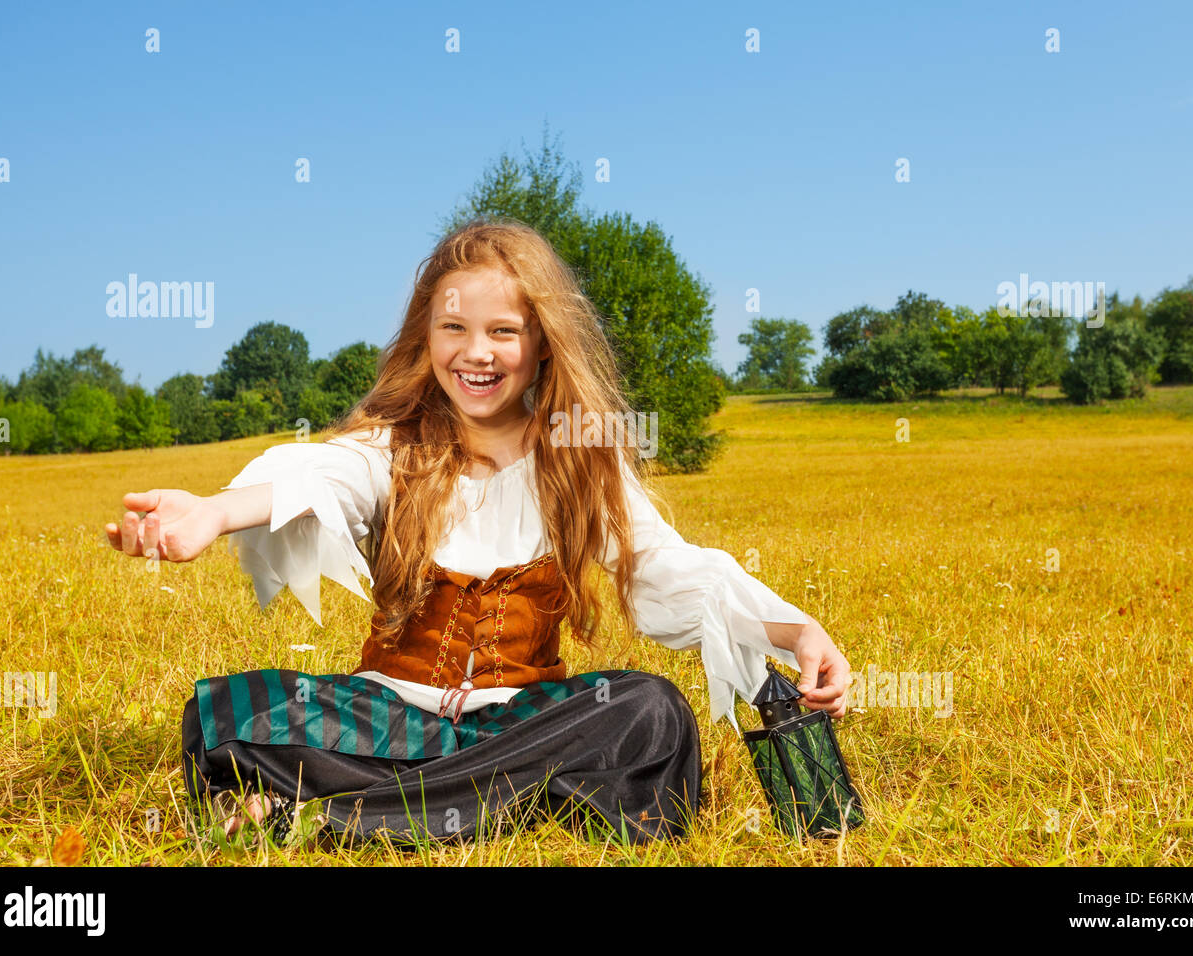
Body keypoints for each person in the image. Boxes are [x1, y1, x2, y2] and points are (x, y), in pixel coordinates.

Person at [104, 219, 852, 849]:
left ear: (543, 343)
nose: (477, 352)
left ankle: (339, 816)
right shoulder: (392, 450)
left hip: (525, 721)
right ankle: (487, 806)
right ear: (425, 337)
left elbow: (665, 567)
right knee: (226, 715)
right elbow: (312, 478)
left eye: (503, 331)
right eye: (453, 328)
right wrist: (212, 512)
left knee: (650, 712)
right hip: (393, 719)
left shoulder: (580, 457)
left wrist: (796, 630)